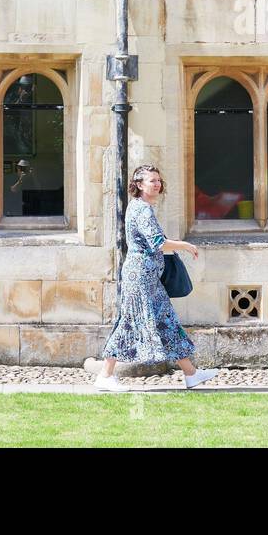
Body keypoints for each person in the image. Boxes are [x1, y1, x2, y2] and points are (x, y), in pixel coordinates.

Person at [95, 165, 219, 391]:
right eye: (152, 180)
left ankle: (191, 374)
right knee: (129, 323)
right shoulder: (141, 209)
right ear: (139, 185)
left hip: (148, 278)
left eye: (159, 180)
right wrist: (185, 245)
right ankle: (105, 375)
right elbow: (157, 243)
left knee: (166, 321)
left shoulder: (142, 208)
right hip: (140, 277)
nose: (157, 184)